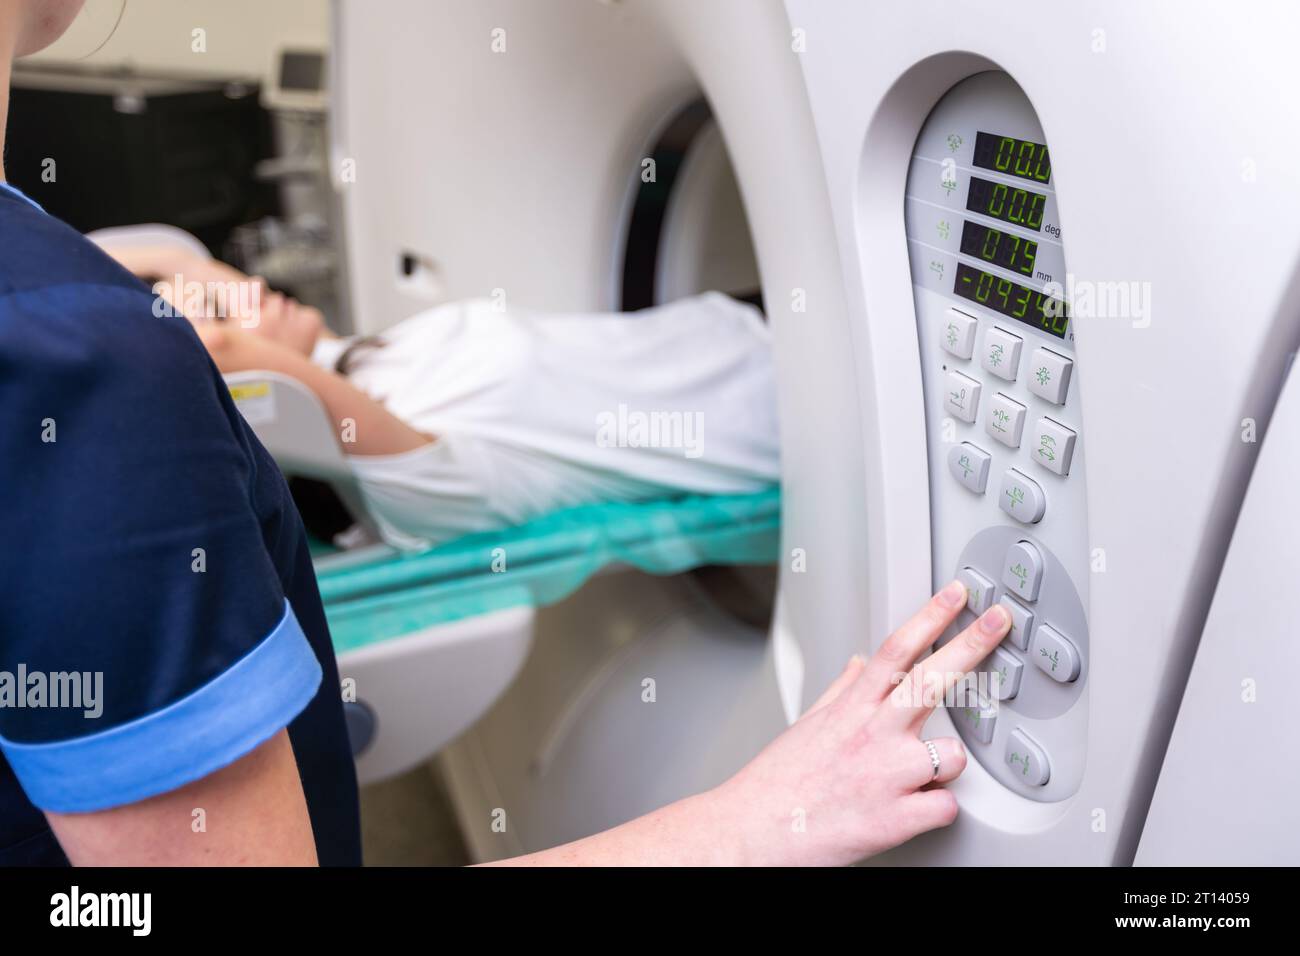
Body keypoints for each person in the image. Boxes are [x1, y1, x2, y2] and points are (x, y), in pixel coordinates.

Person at [0, 0, 1012, 867]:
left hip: (763, 324)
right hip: (805, 399)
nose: (242, 300)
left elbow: (208, 305)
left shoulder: (301, 347)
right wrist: (754, 824)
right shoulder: (363, 456)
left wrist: (156, 285)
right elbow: (218, 353)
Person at [99, 242, 780, 551]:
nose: (245, 290)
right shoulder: (409, 489)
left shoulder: (353, 356)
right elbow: (221, 352)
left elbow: (175, 258)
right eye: (220, 308)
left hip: (749, 320)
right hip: (790, 415)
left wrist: (174, 274)